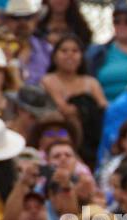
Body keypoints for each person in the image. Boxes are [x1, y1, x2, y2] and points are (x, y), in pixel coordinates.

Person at [39, 34, 105, 170]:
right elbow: (63, 109)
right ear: (54, 56)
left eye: (75, 51)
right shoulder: (48, 80)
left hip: (90, 137)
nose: (70, 55)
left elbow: (103, 107)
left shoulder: (91, 82)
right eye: (64, 51)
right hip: (60, 136)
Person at [0, 0, 52, 85]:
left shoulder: (47, 49)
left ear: (35, 20)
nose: (22, 22)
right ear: (7, 21)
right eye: (16, 18)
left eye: (27, 18)